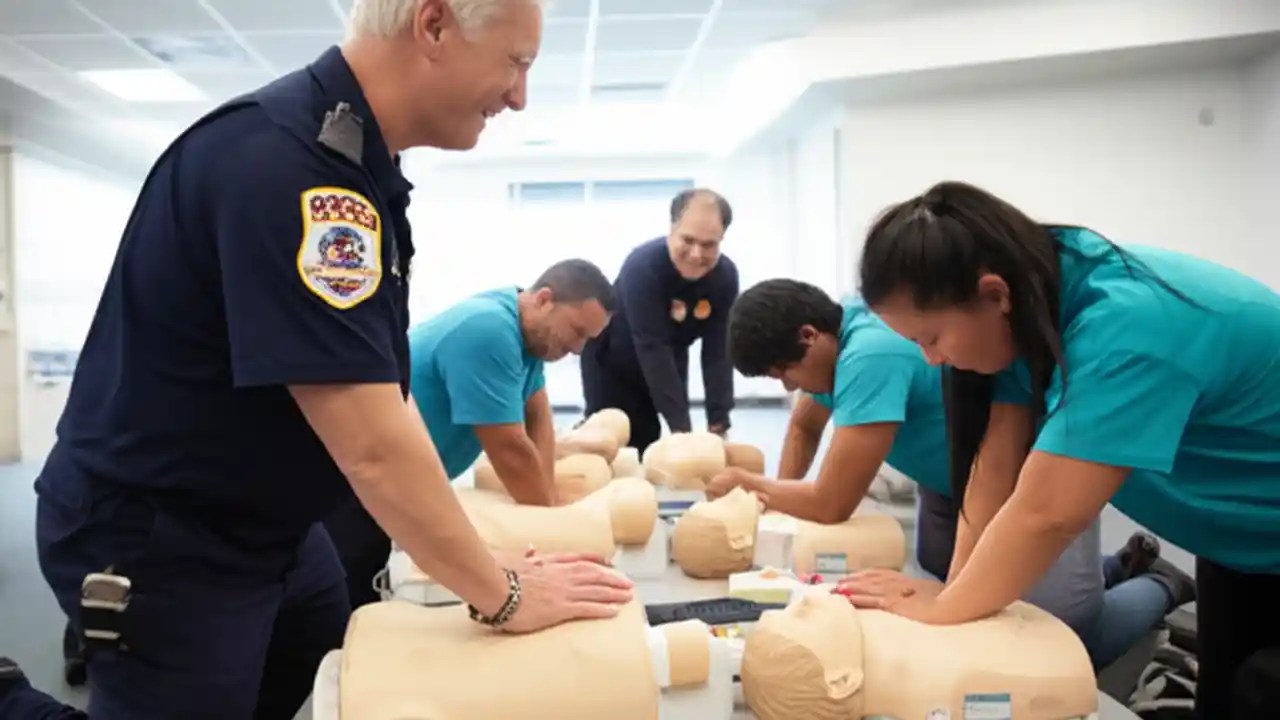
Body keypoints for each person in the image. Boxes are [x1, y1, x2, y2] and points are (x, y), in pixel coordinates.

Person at [31, 2, 632, 718]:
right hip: (165, 533)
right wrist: (500, 595)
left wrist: (485, 559)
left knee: (323, 673)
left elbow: (381, 390)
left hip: (269, 522)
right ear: (434, 26)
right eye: (516, 62)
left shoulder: (360, 168)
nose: (519, 95)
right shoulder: (289, 167)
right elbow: (373, 447)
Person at [839, 180, 1280, 719]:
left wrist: (948, 607)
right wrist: (956, 597)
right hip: (1240, 543)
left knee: (1261, 693)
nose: (931, 360)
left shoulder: (1126, 327)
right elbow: (994, 468)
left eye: (930, 338)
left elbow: (1047, 513)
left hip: (1262, 527)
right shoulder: (1029, 305)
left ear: (993, 294)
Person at [709, 278, 1193, 668]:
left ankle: (1164, 583)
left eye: (784, 373)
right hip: (953, 479)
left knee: (1064, 632)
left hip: (1033, 485)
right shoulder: (834, 341)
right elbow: (802, 426)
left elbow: (831, 503)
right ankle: (1118, 566)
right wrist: (776, 514)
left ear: (809, 336)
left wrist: (755, 487)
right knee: (950, 581)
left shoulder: (869, 354)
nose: (789, 386)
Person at [327, 258, 615, 608]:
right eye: (577, 331)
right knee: (344, 596)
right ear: (544, 299)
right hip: (353, 487)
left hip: (393, 486)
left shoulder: (532, 337)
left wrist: (548, 498)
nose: (578, 348)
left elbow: (538, 415)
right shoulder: (489, 330)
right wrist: (549, 515)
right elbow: (509, 448)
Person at [579, 188, 740, 453]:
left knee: (660, 447)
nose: (697, 254)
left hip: (670, 358)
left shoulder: (724, 277)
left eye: (709, 244)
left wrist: (719, 423)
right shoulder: (642, 267)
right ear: (672, 228)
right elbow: (652, 345)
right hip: (613, 360)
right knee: (626, 444)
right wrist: (682, 431)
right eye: (687, 240)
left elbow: (719, 350)